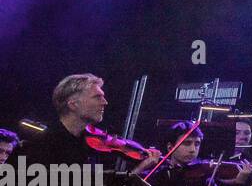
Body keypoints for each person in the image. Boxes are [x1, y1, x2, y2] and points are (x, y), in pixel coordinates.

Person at [20, 74, 161, 173]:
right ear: (73, 104)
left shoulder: (87, 147)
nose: (105, 102)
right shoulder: (43, 146)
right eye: (97, 97)